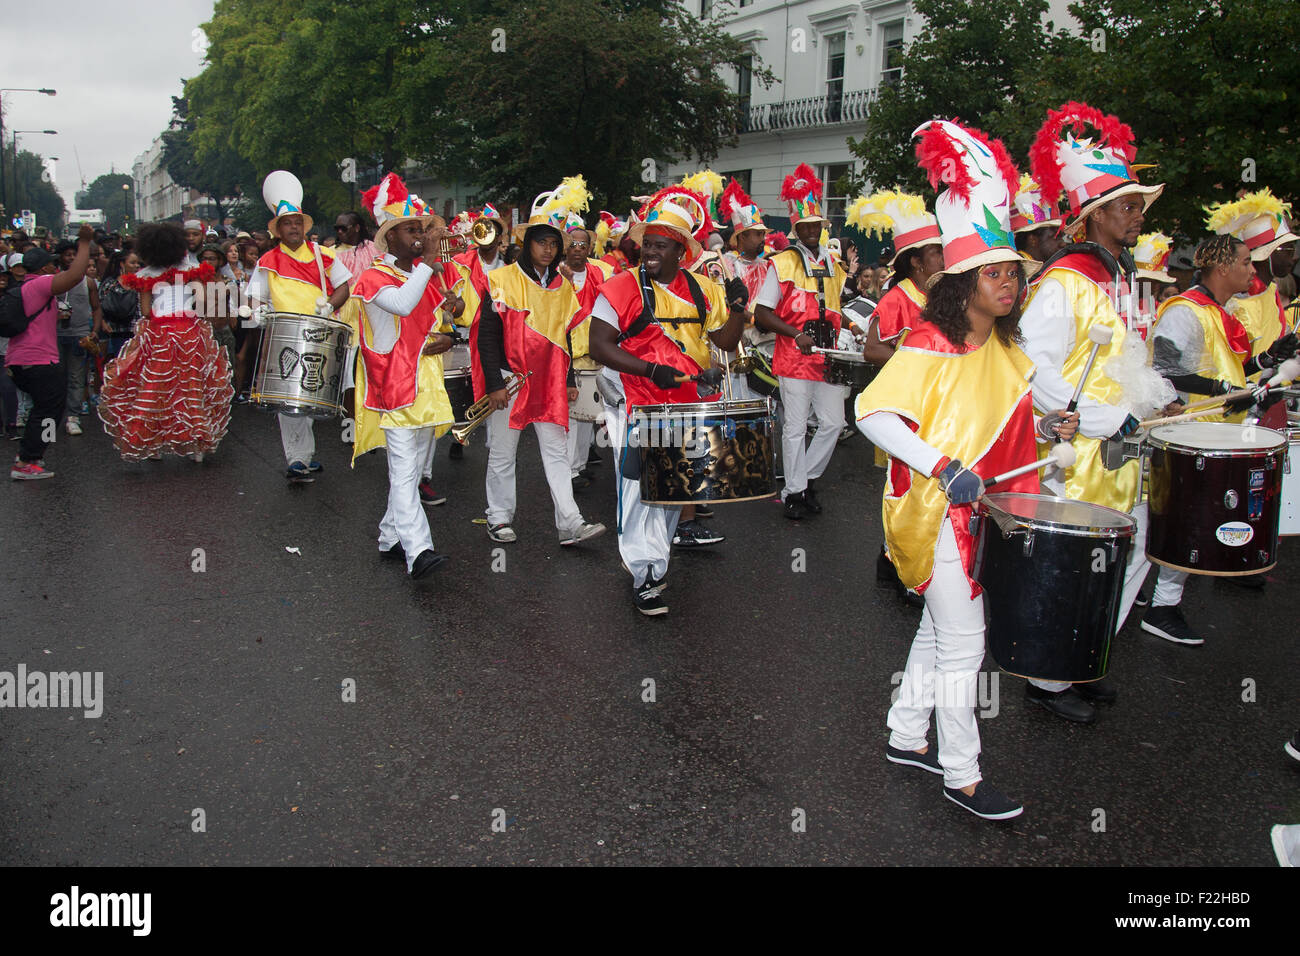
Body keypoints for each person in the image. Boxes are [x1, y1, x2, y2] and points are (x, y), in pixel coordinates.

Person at [856, 119, 1079, 820]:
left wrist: (1049, 426)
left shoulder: (1005, 348)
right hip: (937, 512)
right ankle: (962, 774)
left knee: (940, 632)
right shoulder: (927, 342)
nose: (1010, 282)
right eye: (996, 273)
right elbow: (871, 412)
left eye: (1014, 271)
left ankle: (904, 733)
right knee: (965, 645)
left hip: (988, 508)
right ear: (962, 283)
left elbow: (1003, 419)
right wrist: (944, 466)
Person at [1022, 101, 1185, 715]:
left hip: (1122, 448)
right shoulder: (1065, 280)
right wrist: (1104, 417)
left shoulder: (1119, 277)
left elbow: (1128, 362)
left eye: (1140, 204)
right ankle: (1047, 678)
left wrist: (1159, 402)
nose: (1138, 214)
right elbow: (1032, 369)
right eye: (1128, 204)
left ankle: (1084, 653)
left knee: (1134, 550)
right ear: (1094, 216)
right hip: (1078, 452)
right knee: (1071, 562)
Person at [587, 190, 748, 615]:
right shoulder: (619, 287)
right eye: (647, 244)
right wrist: (648, 370)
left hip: (683, 402)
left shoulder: (702, 289)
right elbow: (599, 346)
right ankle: (645, 574)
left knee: (674, 487)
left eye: (661, 245)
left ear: (681, 249)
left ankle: (654, 565)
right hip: (633, 398)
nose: (651, 252)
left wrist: (737, 308)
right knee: (639, 490)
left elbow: (725, 343)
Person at [475, 178, 606, 547]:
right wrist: (494, 384)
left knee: (557, 452)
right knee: (504, 450)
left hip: (548, 382)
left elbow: (562, 336)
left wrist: (566, 377)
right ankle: (498, 518)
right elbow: (487, 335)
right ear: (526, 242)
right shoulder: (500, 280)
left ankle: (570, 522)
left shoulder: (563, 287)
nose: (548, 250)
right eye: (541, 242)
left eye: (553, 243)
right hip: (509, 379)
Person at [350, 175, 454, 579]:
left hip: (423, 386)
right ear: (389, 238)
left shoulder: (418, 274)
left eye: (420, 229)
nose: (419, 235)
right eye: (411, 229)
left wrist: (447, 334)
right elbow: (403, 306)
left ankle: (389, 535)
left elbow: (441, 321)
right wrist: (428, 263)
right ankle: (419, 550)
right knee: (405, 471)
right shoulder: (373, 277)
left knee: (408, 470)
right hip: (393, 387)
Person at [753, 164, 849, 520]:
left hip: (828, 358)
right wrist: (796, 334)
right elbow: (762, 313)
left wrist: (851, 326)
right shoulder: (781, 263)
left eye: (817, 226)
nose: (811, 231)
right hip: (794, 357)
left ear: (823, 228)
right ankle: (795, 492)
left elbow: (837, 307)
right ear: (796, 229)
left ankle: (804, 479)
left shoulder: (835, 264)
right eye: (805, 226)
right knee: (794, 427)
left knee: (833, 423)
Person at [246, 171, 352, 483]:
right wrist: (259, 313)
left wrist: (330, 304)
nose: (293, 227)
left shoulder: (324, 255)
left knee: (310, 395)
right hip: (284, 335)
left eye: (297, 222)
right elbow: (254, 298)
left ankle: (304, 454)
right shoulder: (267, 261)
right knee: (287, 400)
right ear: (278, 230)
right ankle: (297, 459)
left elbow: (344, 286)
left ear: (303, 226)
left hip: (319, 334)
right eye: (287, 223)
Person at [98, 222, 233, 462]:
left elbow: (146, 310)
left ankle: (152, 443)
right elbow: (202, 305)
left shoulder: (146, 275)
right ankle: (196, 443)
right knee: (192, 385)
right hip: (189, 332)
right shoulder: (193, 269)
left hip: (159, 334)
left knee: (155, 388)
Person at [6, 226, 95, 479]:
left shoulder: (26, 288)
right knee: (47, 409)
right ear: (44, 268)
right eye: (53, 265)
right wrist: (85, 243)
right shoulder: (40, 284)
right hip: (38, 361)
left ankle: (35, 453)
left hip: (23, 360)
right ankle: (27, 460)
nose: (56, 268)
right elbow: (76, 275)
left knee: (47, 409)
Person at [848, 190, 942, 366]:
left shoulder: (939, 293)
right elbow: (873, 349)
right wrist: (916, 367)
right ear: (916, 261)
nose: (943, 258)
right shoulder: (897, 299)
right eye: (937, 253)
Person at [557, 223, 611, 491]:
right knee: (569, 419)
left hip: (595, 355)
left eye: (582, 245)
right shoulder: (553, 274)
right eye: (572, 244)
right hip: (566, 356)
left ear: (590, 249)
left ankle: (577, 467)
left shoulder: (602, 272)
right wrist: (564, 286)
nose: (577, 250)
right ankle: (566, 472)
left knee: (586, 417)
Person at [54, 238, 104, 435]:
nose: (71, 258)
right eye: (67, 255)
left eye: (75, 255)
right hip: (55, 335)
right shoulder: (53, 280)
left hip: (80, 335)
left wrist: (95, 330)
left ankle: (73, 417)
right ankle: (53, 417)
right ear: (60, 258)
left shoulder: (88, 282)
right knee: (57, 377)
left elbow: (97, 308)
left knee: (77, 377)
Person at [1009, 174, 1064, 273]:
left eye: (1060, 236)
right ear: (1033, 240)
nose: (1063, 243)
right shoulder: (1015, 274)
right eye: (1054, 237)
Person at [95, 249, 143, 361]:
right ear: (122, 264)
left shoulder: (141, 282)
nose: (136, 266)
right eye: (132, 263)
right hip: (117, 332)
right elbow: (99, 305)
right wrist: (103, 323)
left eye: (138, 263)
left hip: (138, 332)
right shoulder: (110, 284)